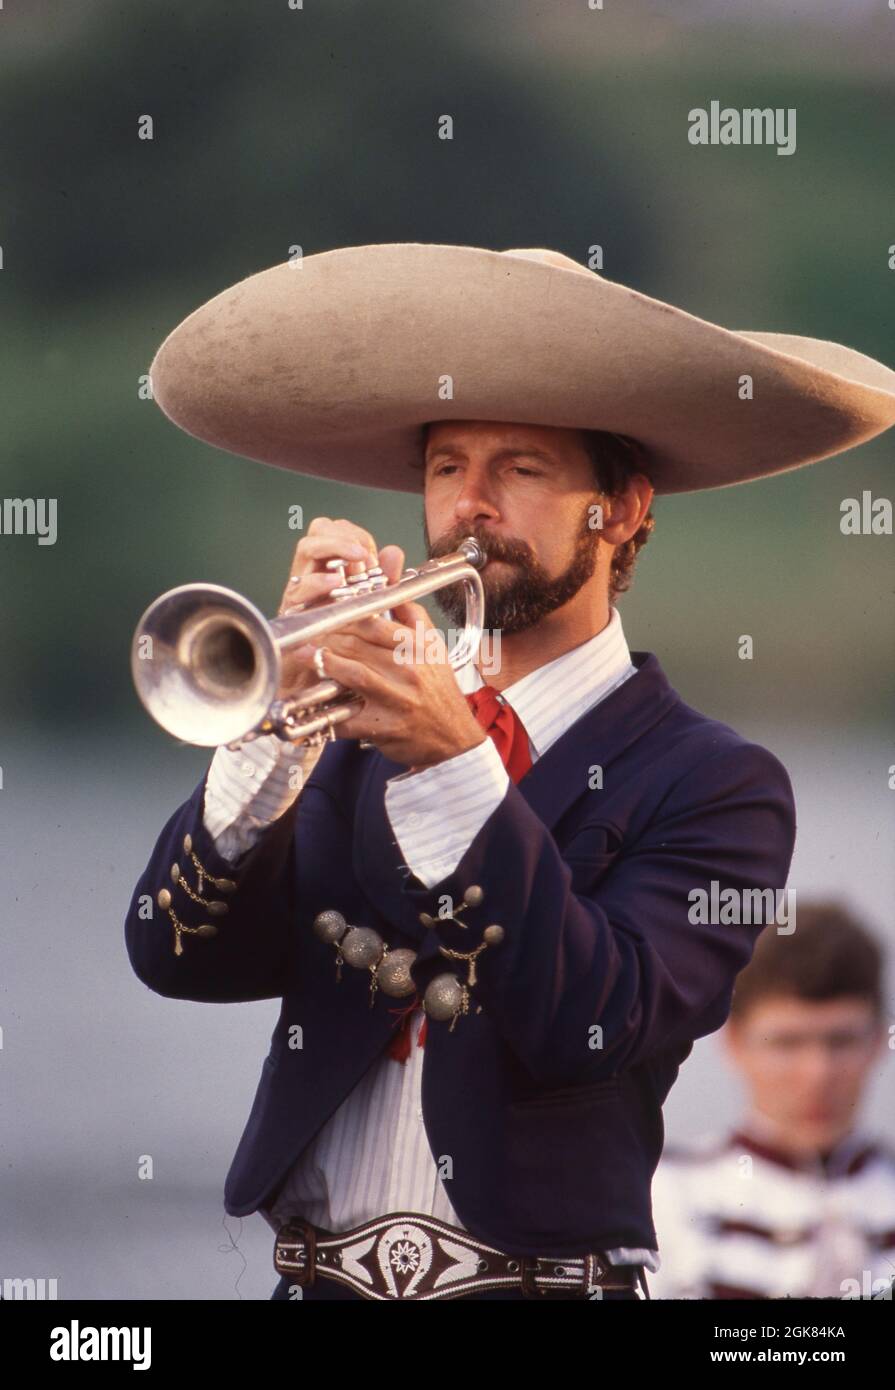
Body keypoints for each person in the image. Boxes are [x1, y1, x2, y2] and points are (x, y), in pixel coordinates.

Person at [125, 243, 895, 1301]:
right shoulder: (343, 737)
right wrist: (272, 725)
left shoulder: (717, 781)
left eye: (520, 469)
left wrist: (453, 757)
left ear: (620, 508)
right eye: (447, 467)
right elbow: (175, 957)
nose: (470, 507)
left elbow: (594, 1017)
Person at [650, 902, 895, 1300]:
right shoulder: (662, 1196)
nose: (818, 1073)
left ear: (878, 1039)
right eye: (786, 1042)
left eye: (842, 1040)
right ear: (732, 1041)